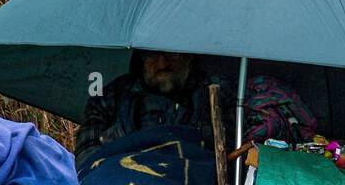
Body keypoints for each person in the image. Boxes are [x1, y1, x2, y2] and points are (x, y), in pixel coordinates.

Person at [73, 50, 229, 173]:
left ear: (188, 56)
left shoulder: (217, 94)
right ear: (141, 59)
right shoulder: (111, 97)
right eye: (152, 54)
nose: (162, 63)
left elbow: (232, 153)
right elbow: (87, 156)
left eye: (172, 53)